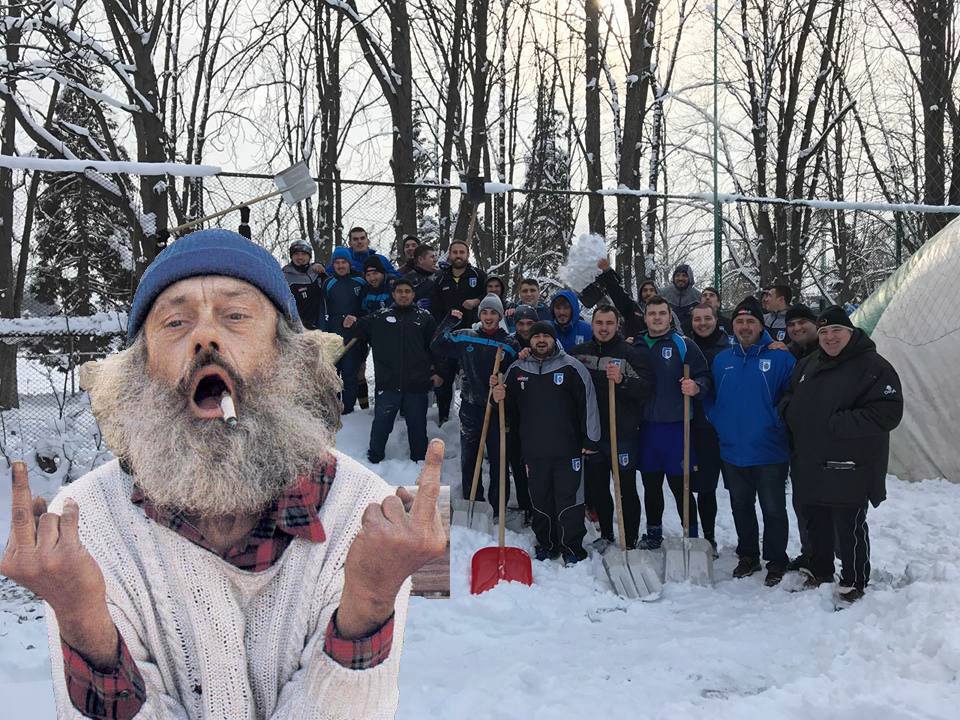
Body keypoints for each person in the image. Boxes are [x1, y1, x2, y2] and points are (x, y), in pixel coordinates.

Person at [1, 228, 446, 719]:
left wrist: (370, 600)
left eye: (236, 316)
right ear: (141, 368)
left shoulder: (366, 516)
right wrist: (82, 619)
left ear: (288, 355)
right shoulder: (82, 525)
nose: (205, 336)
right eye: (174, 323)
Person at [781, 306, 903, 605]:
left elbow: (888, 412)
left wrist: (836, 422)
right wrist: (789, 413)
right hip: (811, 459)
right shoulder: (808, 365)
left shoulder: (874, 366)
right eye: (823, 332)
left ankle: (854, 580)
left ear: (850, 332)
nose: (830, 337)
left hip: (850, 462)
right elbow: (789, 395)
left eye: (836, 330)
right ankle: (820, 568)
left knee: (848, 524)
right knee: (816, 519)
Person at [493, 321, 601, 564]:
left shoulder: (572, 368)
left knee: (569, 499)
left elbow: (588, 404)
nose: (541, 340)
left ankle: (572, 547)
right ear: (529, 341)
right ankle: (547, 544)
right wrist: (497, 398)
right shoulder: (517, 369)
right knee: (540, 499)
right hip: (534, 449)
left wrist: (591, 439)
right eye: (536, 336)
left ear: (554, 339)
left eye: (546, 336)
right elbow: (506, 412)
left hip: (568, 448)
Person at [706, 297, 795, 586]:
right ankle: (748, 555)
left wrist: (777, 423)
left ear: (761, 326)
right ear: (733, 326)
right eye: (740, 321)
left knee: (773, 508)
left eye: (751, 321)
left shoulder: (780, 358)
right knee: (740, 505)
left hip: (770, 450)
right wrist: (718, 420)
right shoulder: (722, 360)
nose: (745, 326)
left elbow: (792, 399)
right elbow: (712, 398)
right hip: (733, 451)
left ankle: (776, 560)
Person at [571, 305, 654, 550]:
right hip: (593, 434)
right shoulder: (579, 354)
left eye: (609, 323)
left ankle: (629, 537)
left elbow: (647, 388)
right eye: (599, 323)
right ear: (592, 324)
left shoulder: (630, 353)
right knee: (598, 489)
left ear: (617, 325)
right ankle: (606, 533)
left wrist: (622, 381)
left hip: (622, 433)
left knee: (626, 488)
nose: (604, 328)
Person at [632, 296, 710, 549]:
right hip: (647, 428)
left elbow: (704, 375)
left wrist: (696, 386)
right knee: (651, 485)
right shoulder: (636, 345)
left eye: (661, 313)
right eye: (652, 313)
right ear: (645, 317)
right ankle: (654, 532)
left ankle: (692, 536)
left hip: (677, 429)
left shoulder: (683, 344)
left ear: (669, 316)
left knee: (681, 486)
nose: (656, 318)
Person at [431, 294, 518, 511]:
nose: (489, 317)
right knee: (470, 459)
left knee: (499, 461)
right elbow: (437, 345)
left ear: (499, 316)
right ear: (480, 315)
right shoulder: (466, 337)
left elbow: (517, 375)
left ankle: (498, 507)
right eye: (485, 312)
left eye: (493, 313)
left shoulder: (508, 344)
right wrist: (450, 321)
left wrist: (503, 383)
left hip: (498, 410)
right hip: (471, 409)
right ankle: (473, 502)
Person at [354, 278, 440, 463]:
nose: (403, 294)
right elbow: (358, 330)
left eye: (407, 291)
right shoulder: (379, 317)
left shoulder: (424, 318)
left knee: (417, 425)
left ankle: (418, 460)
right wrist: (350, 321)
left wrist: (437, 371)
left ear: (413, 294)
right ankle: (374, 458)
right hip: (388, 382)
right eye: (399, 291)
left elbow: (435, 348)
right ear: (393, 294)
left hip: (417, 383)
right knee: (381, 424)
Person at [429, 239, 487, 424]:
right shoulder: (440, 278)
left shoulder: (478, 275)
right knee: (444, 382)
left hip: (471, 337)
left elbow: (491, 297)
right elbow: (434, 308)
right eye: (455, 252)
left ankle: (472, 420)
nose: (458, 255)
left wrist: (476, 301)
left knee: (472, 380)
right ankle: (444, 419)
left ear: (467, 255)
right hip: (447, 338)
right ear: (450, 255)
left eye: (462, 252)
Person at [689, 302, 731, 554]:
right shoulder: (685, 347)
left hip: (719, 426)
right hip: (692, 424)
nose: (702, 323)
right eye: (697, 319)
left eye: (707, 318)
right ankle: (700, 535)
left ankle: (713, 537)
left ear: (716, 319)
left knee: (719, 487)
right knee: (695, 486)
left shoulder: (727, 349)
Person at [505, 304, 540, 523]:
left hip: (539, 412)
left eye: (529, 323)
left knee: (537, 461)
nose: (525, 328)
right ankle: (526, 504)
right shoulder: (509, 344)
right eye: (521, 323)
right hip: (514, 411)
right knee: (517, 461)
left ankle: (539, 503)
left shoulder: (545, 341)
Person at [324, 247, 366, 414]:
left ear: (349, 263)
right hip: (333, 337)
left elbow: (366, 308)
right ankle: (334, 409)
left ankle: (348, 409)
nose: (341, 266)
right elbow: (324, 311)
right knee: (333, 374)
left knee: (350, 373)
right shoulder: (328, 283)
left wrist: (357, 320)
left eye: (344, 262)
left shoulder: (360, 281)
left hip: (354, 338)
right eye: (337, 262)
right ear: (333, 265)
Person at [282, 240, 327, 330]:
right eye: (296, 254)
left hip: (321, 327)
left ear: (309, 256)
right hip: (297, 329)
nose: (300, 257)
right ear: (291, 256)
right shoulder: (284, 276)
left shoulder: (317, 272)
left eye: (304, 254)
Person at [327, 226, 400, 277]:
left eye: (362, 238)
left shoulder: (380, 259)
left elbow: (396, 276)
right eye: (355, 239)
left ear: (368, 241)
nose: (359, 242)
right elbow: (326, 274)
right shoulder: (343, 260)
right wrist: (316, 265)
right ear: (350, 243)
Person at [658, 263, 701, 333]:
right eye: (677, 275)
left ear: (690, 278)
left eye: (684, 276)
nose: (680, 278)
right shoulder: (663, 294)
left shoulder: (698, 296)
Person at [405, 244, 439, 312]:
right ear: (420, 259)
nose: (435, 260)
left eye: (435, 256)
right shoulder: (408, 280)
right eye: (432, 257)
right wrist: (414, 305)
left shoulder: (440, 276)